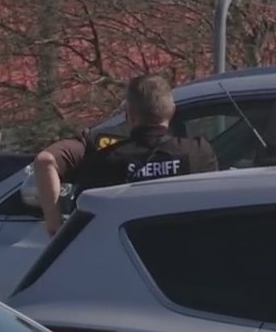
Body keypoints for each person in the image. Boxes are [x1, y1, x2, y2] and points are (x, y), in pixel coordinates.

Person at [33, 73, 218, 235]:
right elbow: (214, 210)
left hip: (125, 260)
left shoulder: (105, 160)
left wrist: (55, 228)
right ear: (172, 111)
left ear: (129, 113)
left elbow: (85, 220)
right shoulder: (198, 152)